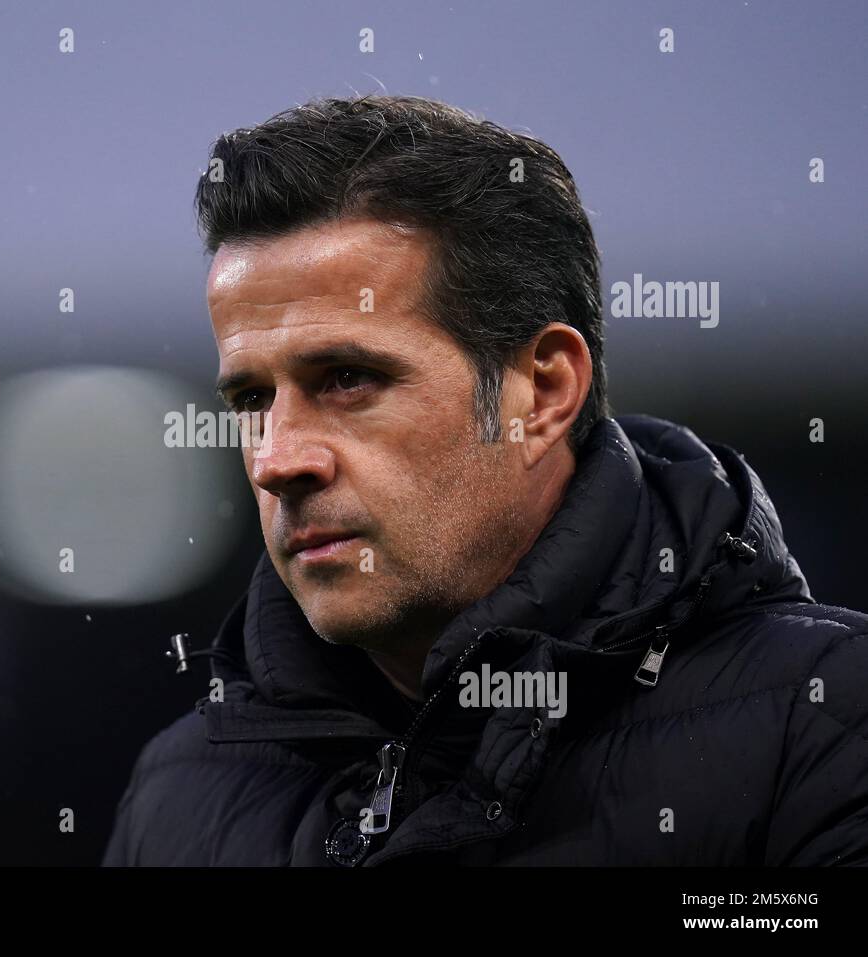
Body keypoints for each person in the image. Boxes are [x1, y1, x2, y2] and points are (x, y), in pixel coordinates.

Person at [103, 95, 868, 866]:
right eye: (253, 399)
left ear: (541, 393)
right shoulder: (180, 796)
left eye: (346, 378)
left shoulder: (823, 725)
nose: (277, 461)